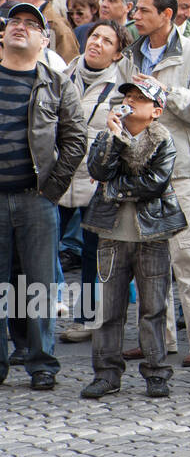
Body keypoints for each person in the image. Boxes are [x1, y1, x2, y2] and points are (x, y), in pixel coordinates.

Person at [116, 0, 190, 368]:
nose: (136, 16)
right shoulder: (131, 54)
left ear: (168, 14)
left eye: (144, 10)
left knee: (187, 256)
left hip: (178, 170)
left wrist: (166, 92)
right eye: (136, 10)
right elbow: (121, 101)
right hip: (137, 168)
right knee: (146, 261)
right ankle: (156, 340)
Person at [79, 81, 188, 400]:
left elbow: (154, 183)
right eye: (128, 97)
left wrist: (112, 188)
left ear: (156, 111)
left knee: (153, 308)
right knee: (108, 309)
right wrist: (113, 138)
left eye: (140, 99)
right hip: (111, 234)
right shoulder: (107, 136)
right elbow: (97, 168)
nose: (130, 102)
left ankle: (156, 372)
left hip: (152, 233)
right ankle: (106, 374)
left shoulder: (163, 140)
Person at [0, 2, 87, 389]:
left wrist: (52, 190)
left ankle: (41, 364)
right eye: (14, 22)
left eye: (31, 24)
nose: (21, 28)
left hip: (36, 198)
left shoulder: (56, 83)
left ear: (44, 39)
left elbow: (75, 139)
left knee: (37, 286)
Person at [57, 19, 128, 344]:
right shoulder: (61, 76)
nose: (97, 43)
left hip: (95, 180)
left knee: (91, 254)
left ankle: (87, 317)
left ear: (117, 54)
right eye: (95, 36)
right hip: (57, 177)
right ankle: (29, 319)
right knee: (36, 249)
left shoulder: (120, 88)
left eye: (107, 41)